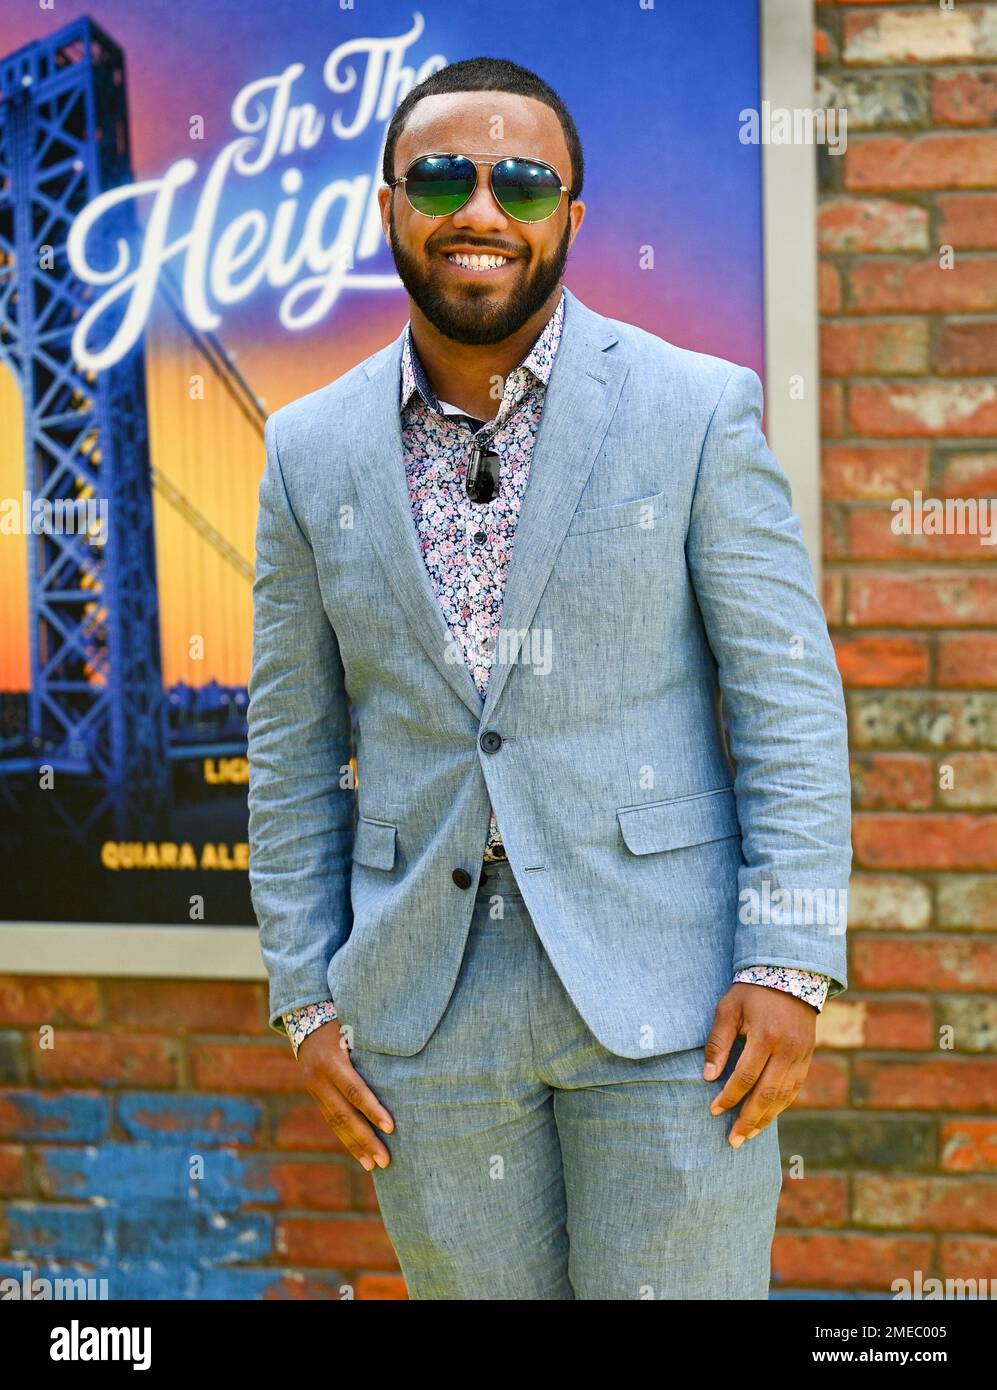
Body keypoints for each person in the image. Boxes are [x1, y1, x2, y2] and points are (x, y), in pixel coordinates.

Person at [247, 56, 851, 1300]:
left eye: (520, 183)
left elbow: (786, 696)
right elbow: (291, 744)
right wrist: (306, 1000)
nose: (480, 211)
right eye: (440, 178)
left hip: (677, 1004)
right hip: (423, 1008)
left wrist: (787, 962)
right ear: (387, 205)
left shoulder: (693, 410)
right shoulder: (307, 451)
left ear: (570, 219)